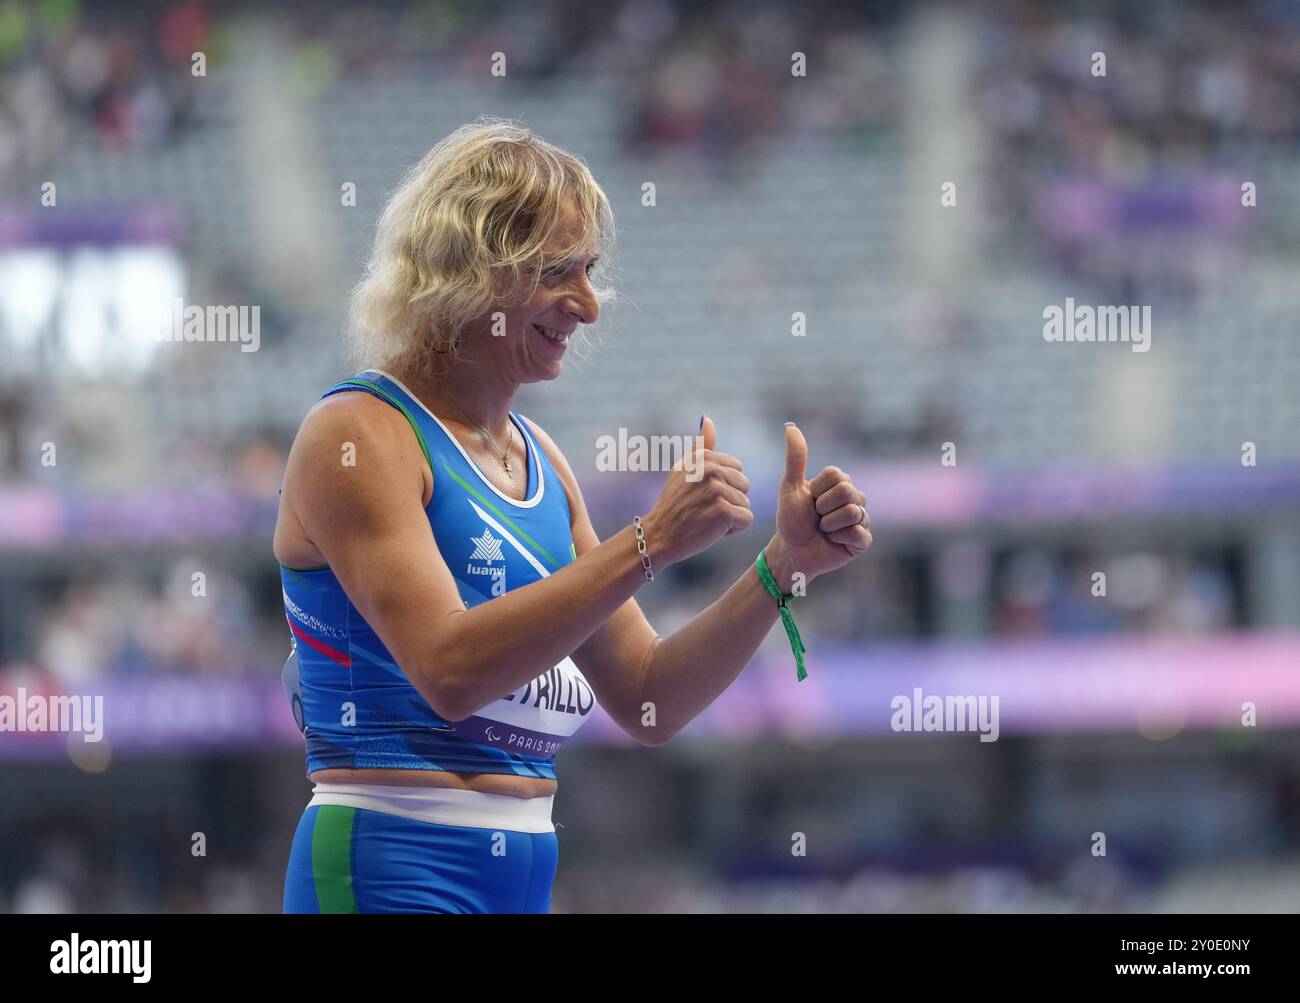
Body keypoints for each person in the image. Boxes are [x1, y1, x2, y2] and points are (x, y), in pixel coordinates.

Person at [273, 118, 871, 913]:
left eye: (590, 270)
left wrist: (784, 566)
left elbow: (649, 697)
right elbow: (449, 672)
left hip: (519, 875)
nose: (589, 304)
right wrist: (651, 540)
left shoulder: (542, 463)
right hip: (388, 864)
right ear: (468, 271)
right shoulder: (358, 432)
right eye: (559, 271)